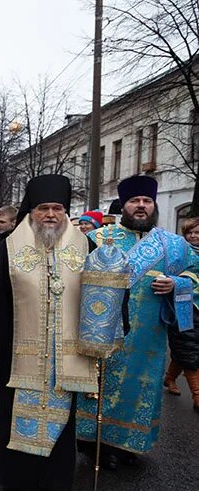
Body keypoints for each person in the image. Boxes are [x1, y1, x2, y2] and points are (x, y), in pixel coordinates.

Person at [0, 174, 97, 491]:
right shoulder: (8, 247)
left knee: (62, 423)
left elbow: (102, 297)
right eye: (43, 208)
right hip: (19, 356)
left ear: (66, 211)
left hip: (65, 358)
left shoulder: (87, 247)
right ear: (32, 211)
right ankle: (16, 481)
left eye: (58, 208)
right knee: (14, 419)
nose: (50, 214)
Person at [77, 175, 196, 466]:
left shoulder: (174, 245)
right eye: (134, 201)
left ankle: (129, 442)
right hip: (105, 331)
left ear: (153, 205)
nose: (141, 206)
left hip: (149, 336)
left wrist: (178, 284)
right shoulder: (97, 239)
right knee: (100, 386)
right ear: (123, 206)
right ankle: (95, 444)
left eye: (146, 201)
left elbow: (195, 272)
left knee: (140, 388)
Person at [164, 216, 199, 412]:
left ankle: (170, 378)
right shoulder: (179, 254)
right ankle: (197, 393)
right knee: (188, 347)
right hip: (182, 307)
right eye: (190, 233)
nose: (193, 236)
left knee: (187, 349)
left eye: (197, 233)